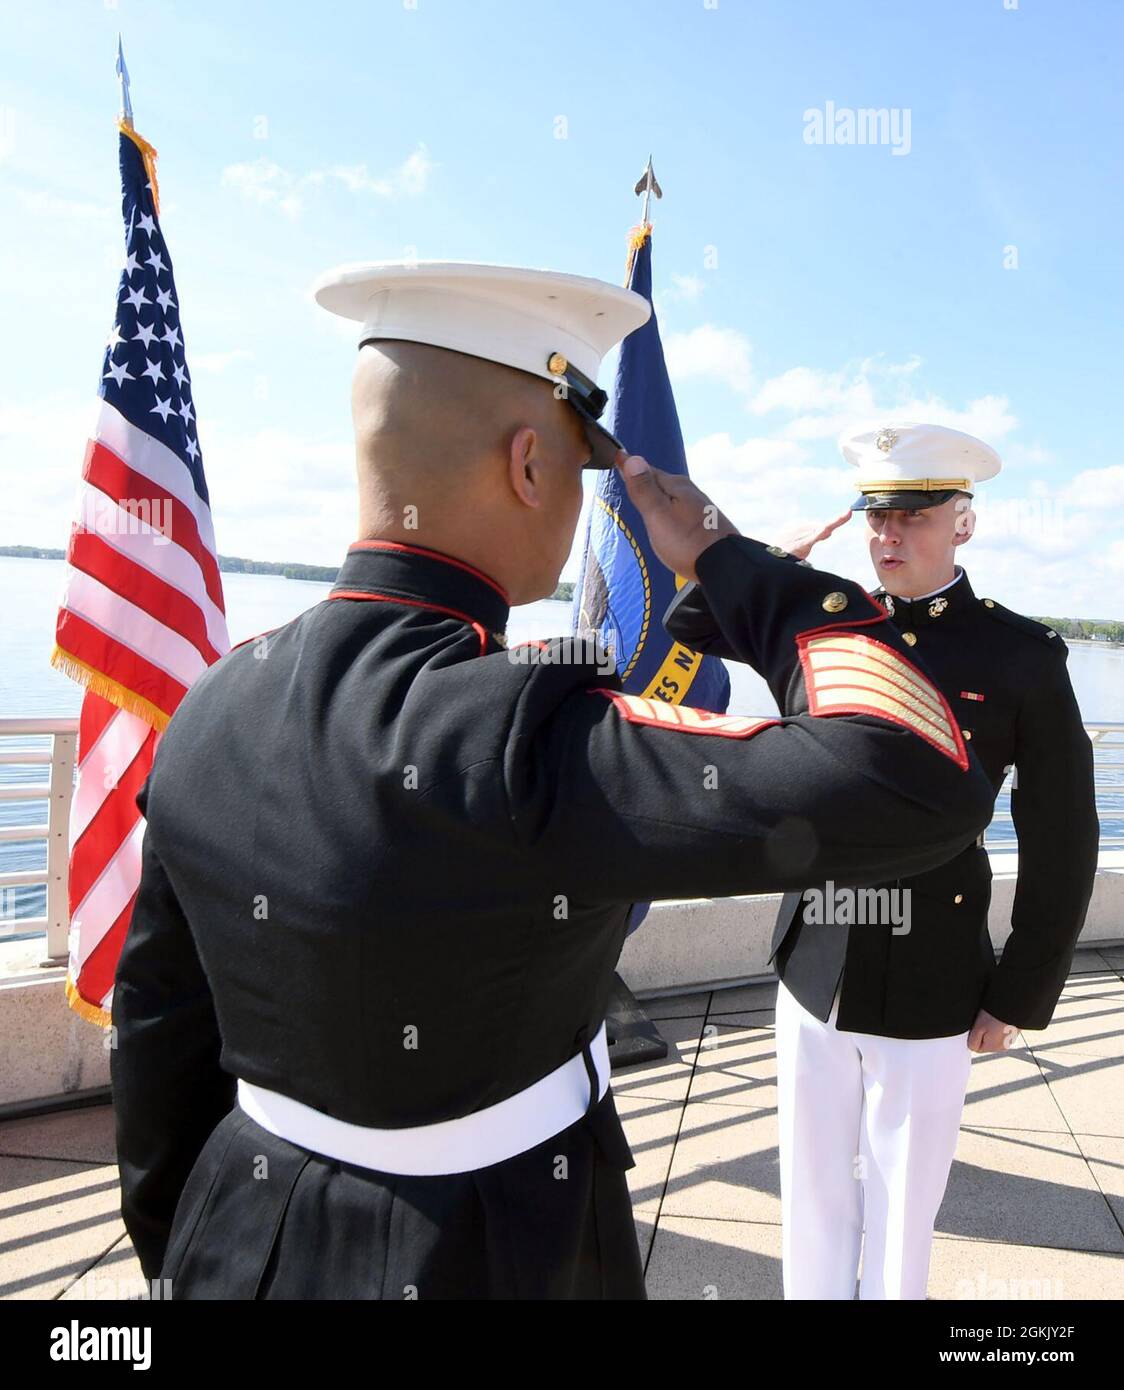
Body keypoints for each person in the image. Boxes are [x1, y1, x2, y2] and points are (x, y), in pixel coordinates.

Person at [111, 271, 993, 1300]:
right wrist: (735, 565)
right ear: (529, 463)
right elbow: (918, 777)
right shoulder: (526, 730)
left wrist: (203, 1244)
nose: (586, 500)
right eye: (579, 469)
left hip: (239, 1233)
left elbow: (159, 1033)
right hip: (497, 1250)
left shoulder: (214, 701)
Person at [665, 420, 1099, 1300]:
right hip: (815, 956)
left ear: (963, 522)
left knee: (903, 1211)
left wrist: (1019, 990)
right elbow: (693, 623)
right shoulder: (828, 622)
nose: (887, 536)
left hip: (934, 972)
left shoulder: (1019, 656)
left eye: (913, 516)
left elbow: (1063, 834)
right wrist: (758, 559)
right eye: (874, 517)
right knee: (815, 1196)